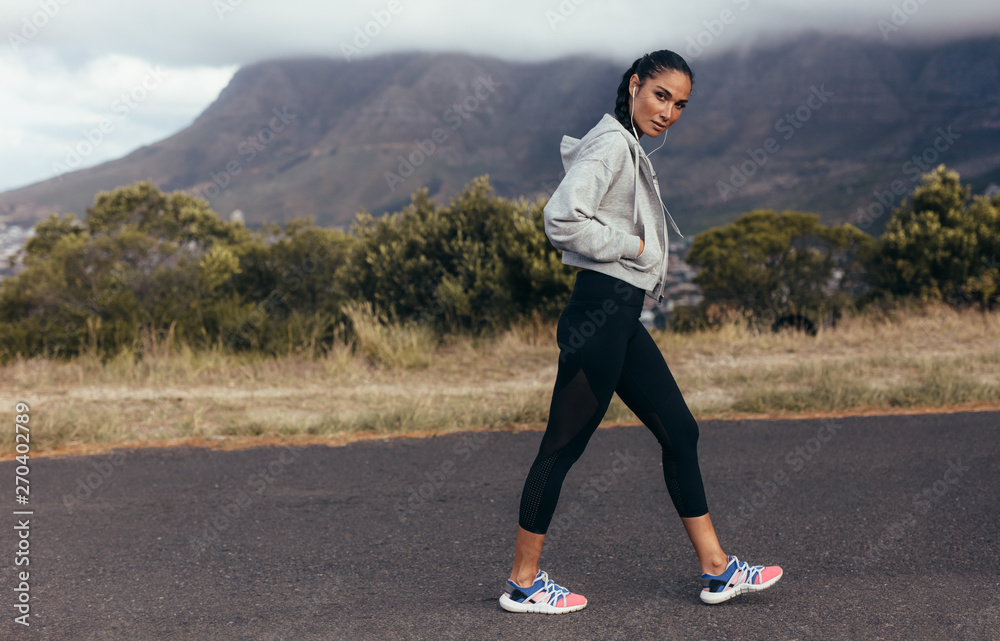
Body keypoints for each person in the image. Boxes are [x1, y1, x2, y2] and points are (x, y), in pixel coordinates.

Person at [499, 50, 782, 614]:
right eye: (661, 96)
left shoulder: (625, 142)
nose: (670, 112)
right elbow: (561, 218)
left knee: (680, 430)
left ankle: (717, 569)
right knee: (560, 449)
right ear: (634, 85)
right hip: (598, 318)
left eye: (680, 104)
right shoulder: (609, 144)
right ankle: (523, 582)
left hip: (620, 321)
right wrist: (633, 247)